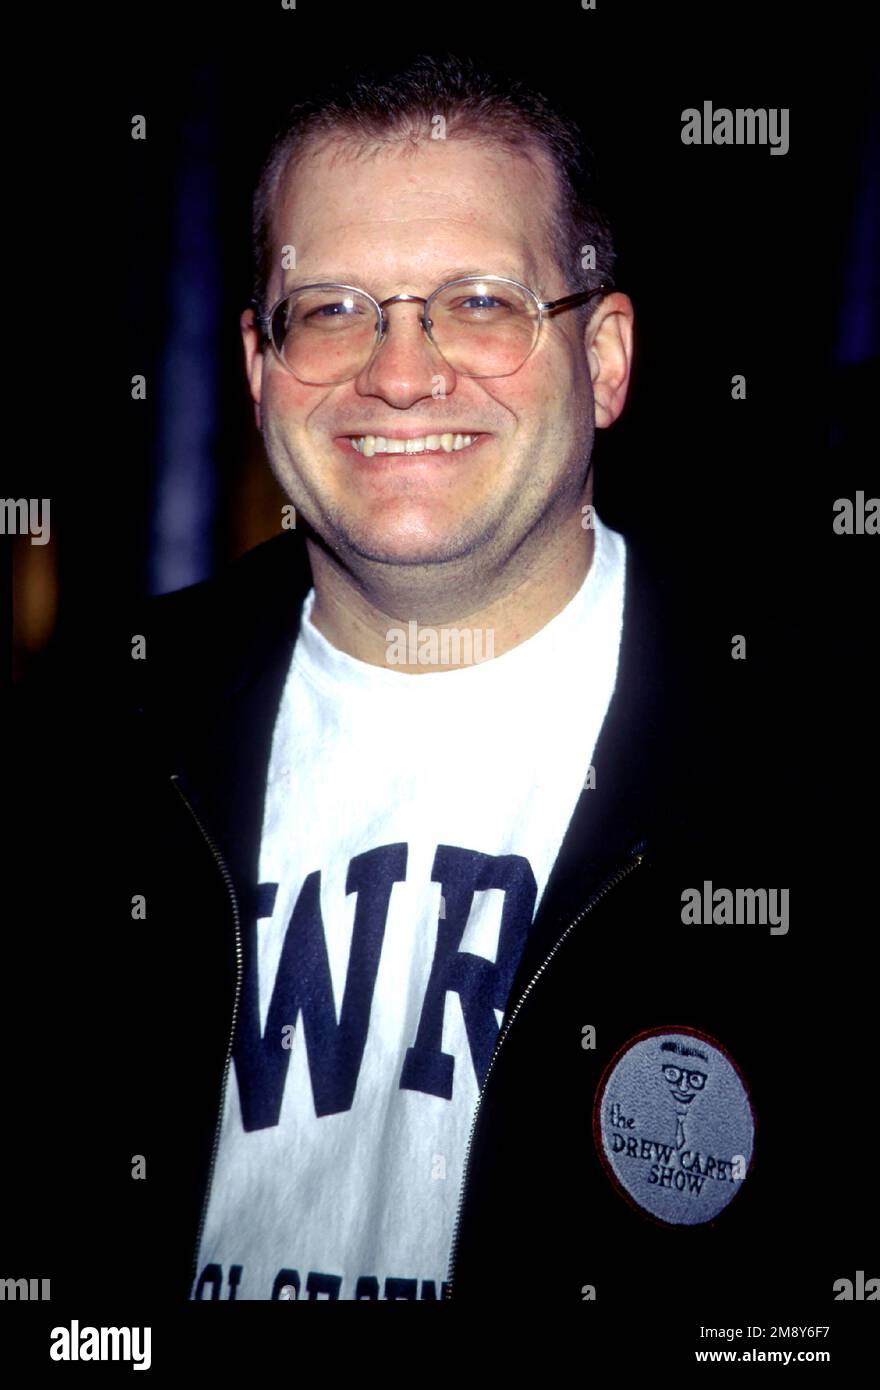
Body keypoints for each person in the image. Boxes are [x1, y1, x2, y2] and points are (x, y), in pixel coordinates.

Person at [9, 54, 820, 1310]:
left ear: (604, 359)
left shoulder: (806, 760)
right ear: (256, 360)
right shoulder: (83, 737)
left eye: (480, 302)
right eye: (332, 307)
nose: (400, 373)